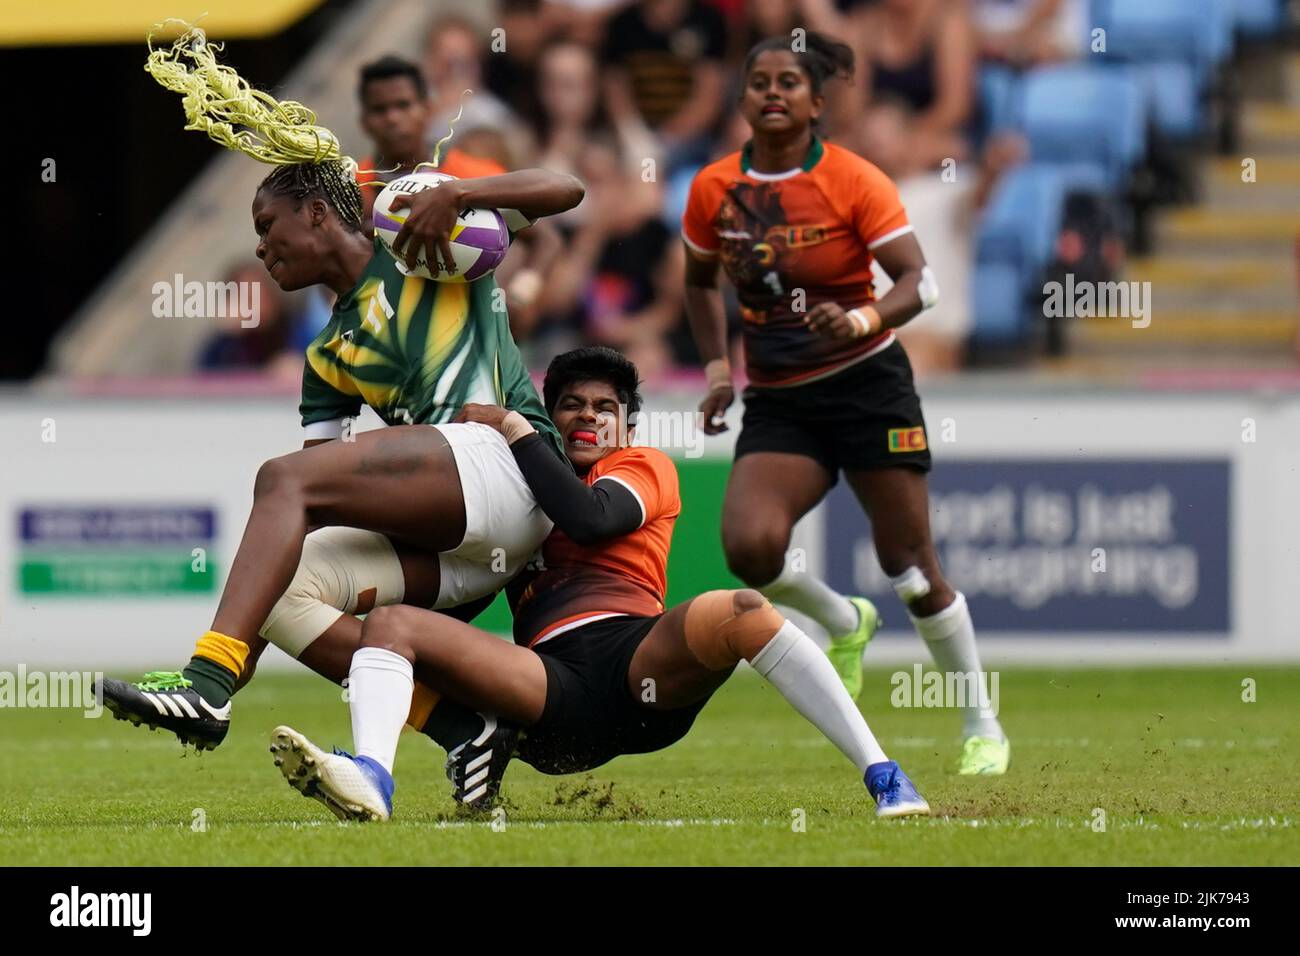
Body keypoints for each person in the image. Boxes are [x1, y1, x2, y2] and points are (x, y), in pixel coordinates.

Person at [95, 23, 584, 753]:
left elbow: (565, 189)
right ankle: (464, 728)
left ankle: (207, 685)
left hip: (510, 465)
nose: (261, 250)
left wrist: (459, 190)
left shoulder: (417, 245)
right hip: (457, 543)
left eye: (269, 227)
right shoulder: (326, 356)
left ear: (319, 213)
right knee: (287, 590)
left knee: (281, 479)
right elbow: (308, 510)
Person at [269, 347, 930, 821]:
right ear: (552, 416)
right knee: (390, 627)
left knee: (744, 611)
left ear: (627, 424)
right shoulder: (511, 498)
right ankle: (379, 777)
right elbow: (456, 606)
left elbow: (591, 520)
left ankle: (887, 777)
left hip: (636, 664)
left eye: (605, 408)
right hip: (547, 697)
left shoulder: (641, 464)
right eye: (572, 406)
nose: (589, 416)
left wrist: (512, 426)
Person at [680, 31, 1009, 774]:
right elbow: (699, 282)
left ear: (817, 102)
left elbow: (918, 282)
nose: (772, 91)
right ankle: (840, 617)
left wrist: (862, 318)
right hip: (781, 401)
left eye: (788, 82)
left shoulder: (854, 179)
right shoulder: (713, 190)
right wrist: (714, 370)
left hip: (867, 388)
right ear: (740, 100)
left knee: (911, 568)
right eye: (758, 80)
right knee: (750, 549)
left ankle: (979, 721)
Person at [353, 54, 562, 338]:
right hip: (385, 340)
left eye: (403, 105)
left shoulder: (470, 173)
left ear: (428, 108)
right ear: (364, 121)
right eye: (380, 109)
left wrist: (521, 294)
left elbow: (546, 238)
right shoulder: (352, 186)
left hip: (470, 333)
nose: (393, 118)